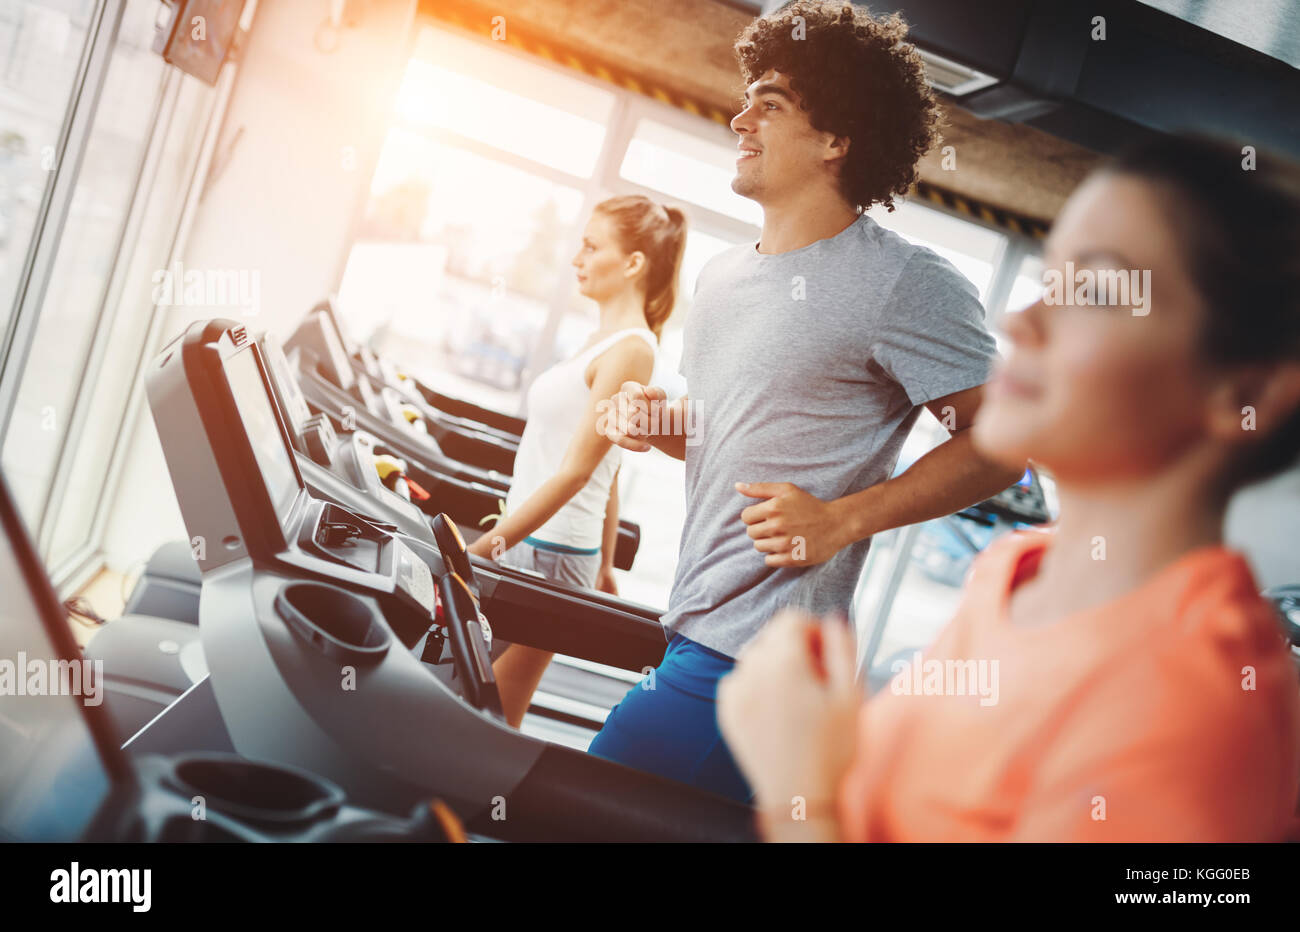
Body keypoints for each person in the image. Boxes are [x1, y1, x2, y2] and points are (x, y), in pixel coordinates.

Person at [716, 132, 1300, 842]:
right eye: (1051, 279)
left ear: (1246, 390)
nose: (1021, 321)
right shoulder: (1013, 574)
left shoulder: (1200, 708)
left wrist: (797, 793)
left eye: (1098, 290)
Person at [590, 1, 1024, 802]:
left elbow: (1003, 445)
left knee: (563, 815)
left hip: (765, 656)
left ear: (836, 139)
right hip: (691, 628)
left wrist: (843, 518)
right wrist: (656, 423)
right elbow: (738, 431)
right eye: (747, 98)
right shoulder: (723, 277)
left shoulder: (906, 284)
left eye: (771, 102)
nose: (739, 117)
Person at [467, 195, 687, 728]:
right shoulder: (601, 340)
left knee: (493, 713)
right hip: (539, 542)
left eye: (592, 247)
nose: (576, 259)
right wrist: (607, 566)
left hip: (552, 551)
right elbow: (608, 468)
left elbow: (578, 472)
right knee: (473, 698)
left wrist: (476, 551)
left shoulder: (632, 350)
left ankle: (477, 809)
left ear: (633, 264)